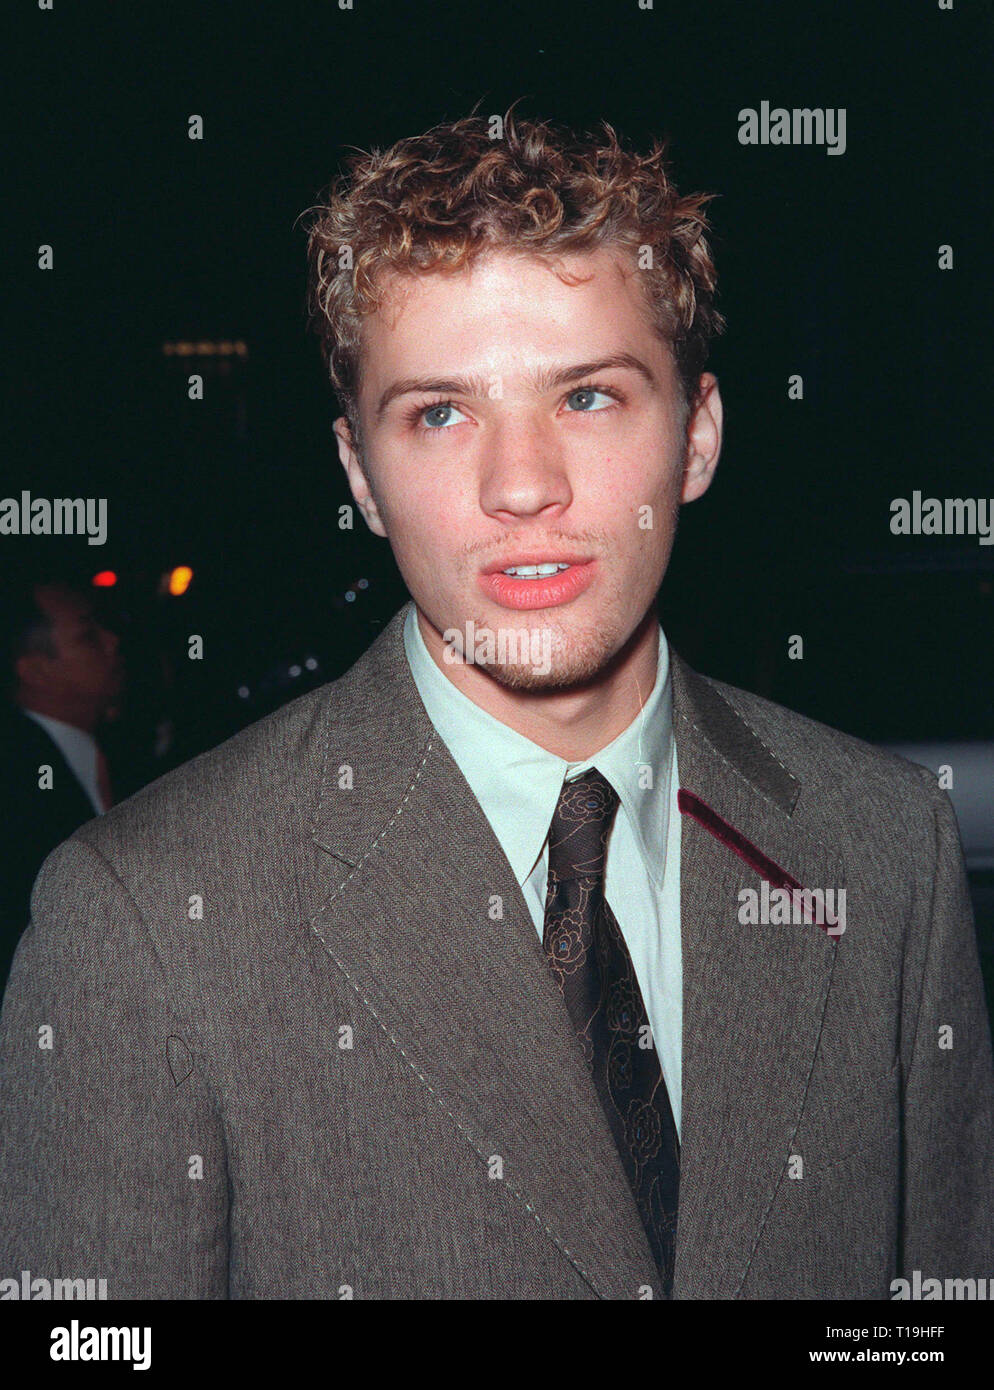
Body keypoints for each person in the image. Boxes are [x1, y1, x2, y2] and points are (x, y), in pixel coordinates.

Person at [1, 109, 991, 1301]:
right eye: (440, 412)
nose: (521, 484)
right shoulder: (148, 917)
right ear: (361, 476)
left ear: (698, 436)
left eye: (586, 398)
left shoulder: (886, 844)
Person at [0, 576, 123, 997]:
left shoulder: (124, 751)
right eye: (88, 635)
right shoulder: (16, 789)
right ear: (35, 670)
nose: (111, 641)